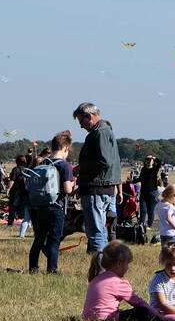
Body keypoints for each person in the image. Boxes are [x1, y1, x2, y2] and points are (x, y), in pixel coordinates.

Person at [74, 103, 121, 254]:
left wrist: (83, 167)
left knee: (96, 231)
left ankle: (101, 265)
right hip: (103, 187)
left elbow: (104, 161)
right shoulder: (105, 131)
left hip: (96, 188)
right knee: (99, 229)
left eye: (82, 121)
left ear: (89, 116)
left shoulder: (100, 132)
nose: (81, 126)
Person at [29, 134, 75, 274]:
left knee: (39, 239)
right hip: (56, 207)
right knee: (54, 240)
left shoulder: (43, 163)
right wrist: (73, 184)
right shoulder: (65, 166)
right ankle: (52, 269)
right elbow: (67, 189)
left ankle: (33, 267)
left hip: (41, 206)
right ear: (65, 148)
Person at [138, 155, 162, 230]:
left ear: (153, 161)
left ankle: (149, 225)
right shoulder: (143, 169)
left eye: (149, 159)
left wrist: (154, 158)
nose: (148, 160)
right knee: (143, 210)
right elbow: (140, 178)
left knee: (150, 210)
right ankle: (141, 224)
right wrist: (132, 181)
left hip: (152, 192)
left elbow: (159, 163)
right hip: (143, 192)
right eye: (147, 159)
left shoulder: (154, 169)